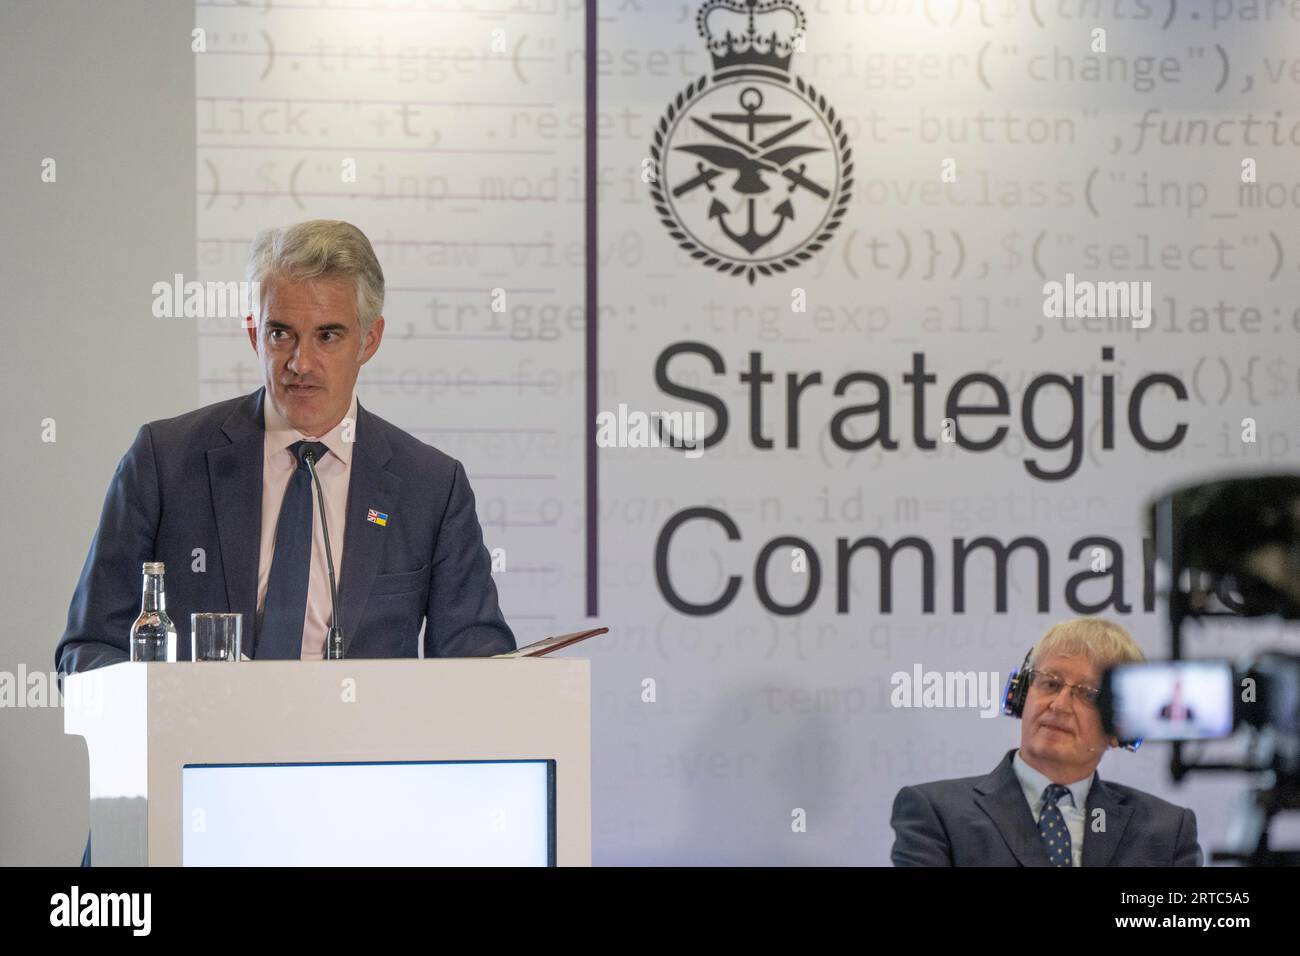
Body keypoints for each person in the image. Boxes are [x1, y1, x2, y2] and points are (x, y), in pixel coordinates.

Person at [890, 617, 1202, 866]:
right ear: (1020, 696)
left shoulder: (1167, 831)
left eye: (1088, 694)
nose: (1060, 705)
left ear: (1120, 727)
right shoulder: (936, 813)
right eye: (1050, 683)